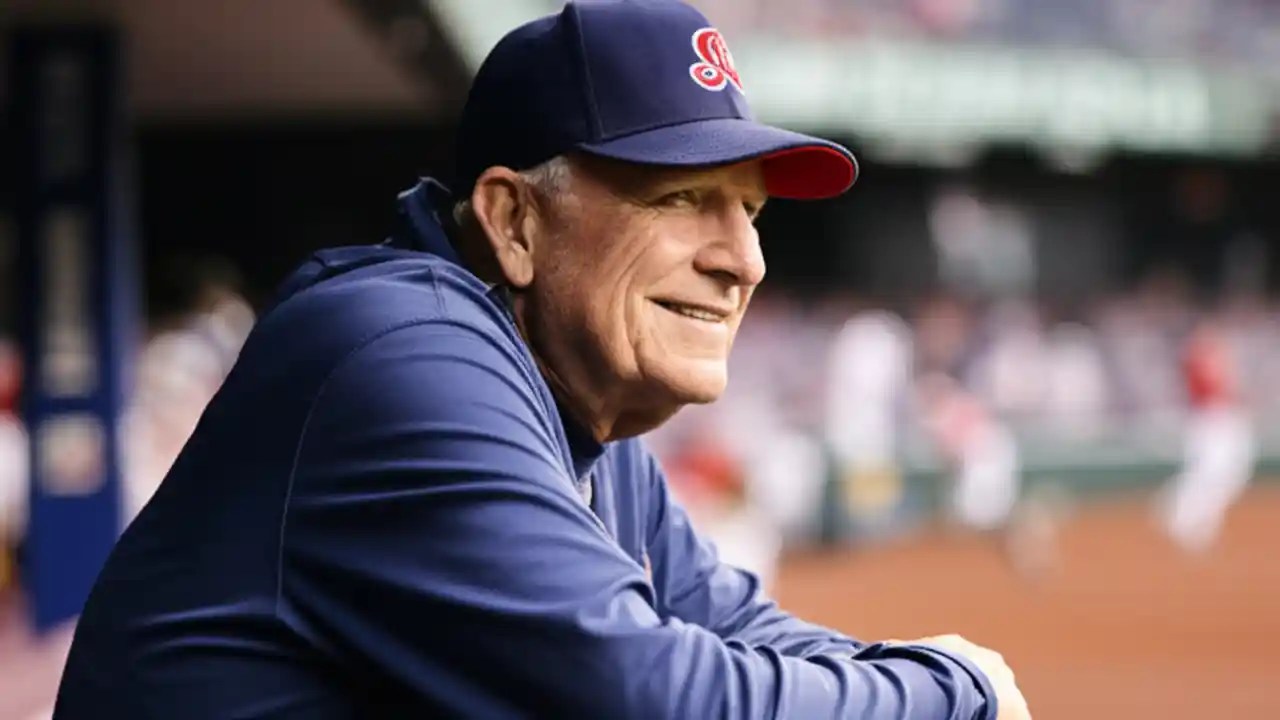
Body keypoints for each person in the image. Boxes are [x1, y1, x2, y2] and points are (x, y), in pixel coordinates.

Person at [55, 2, 1029, 718]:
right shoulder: (398, 358)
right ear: (513, 222)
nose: (744, 259)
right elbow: (642, 699)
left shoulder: (585, 424)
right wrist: (954, 694)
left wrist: (918, 681)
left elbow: (734, 629)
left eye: (751, 210)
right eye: (681, 199)